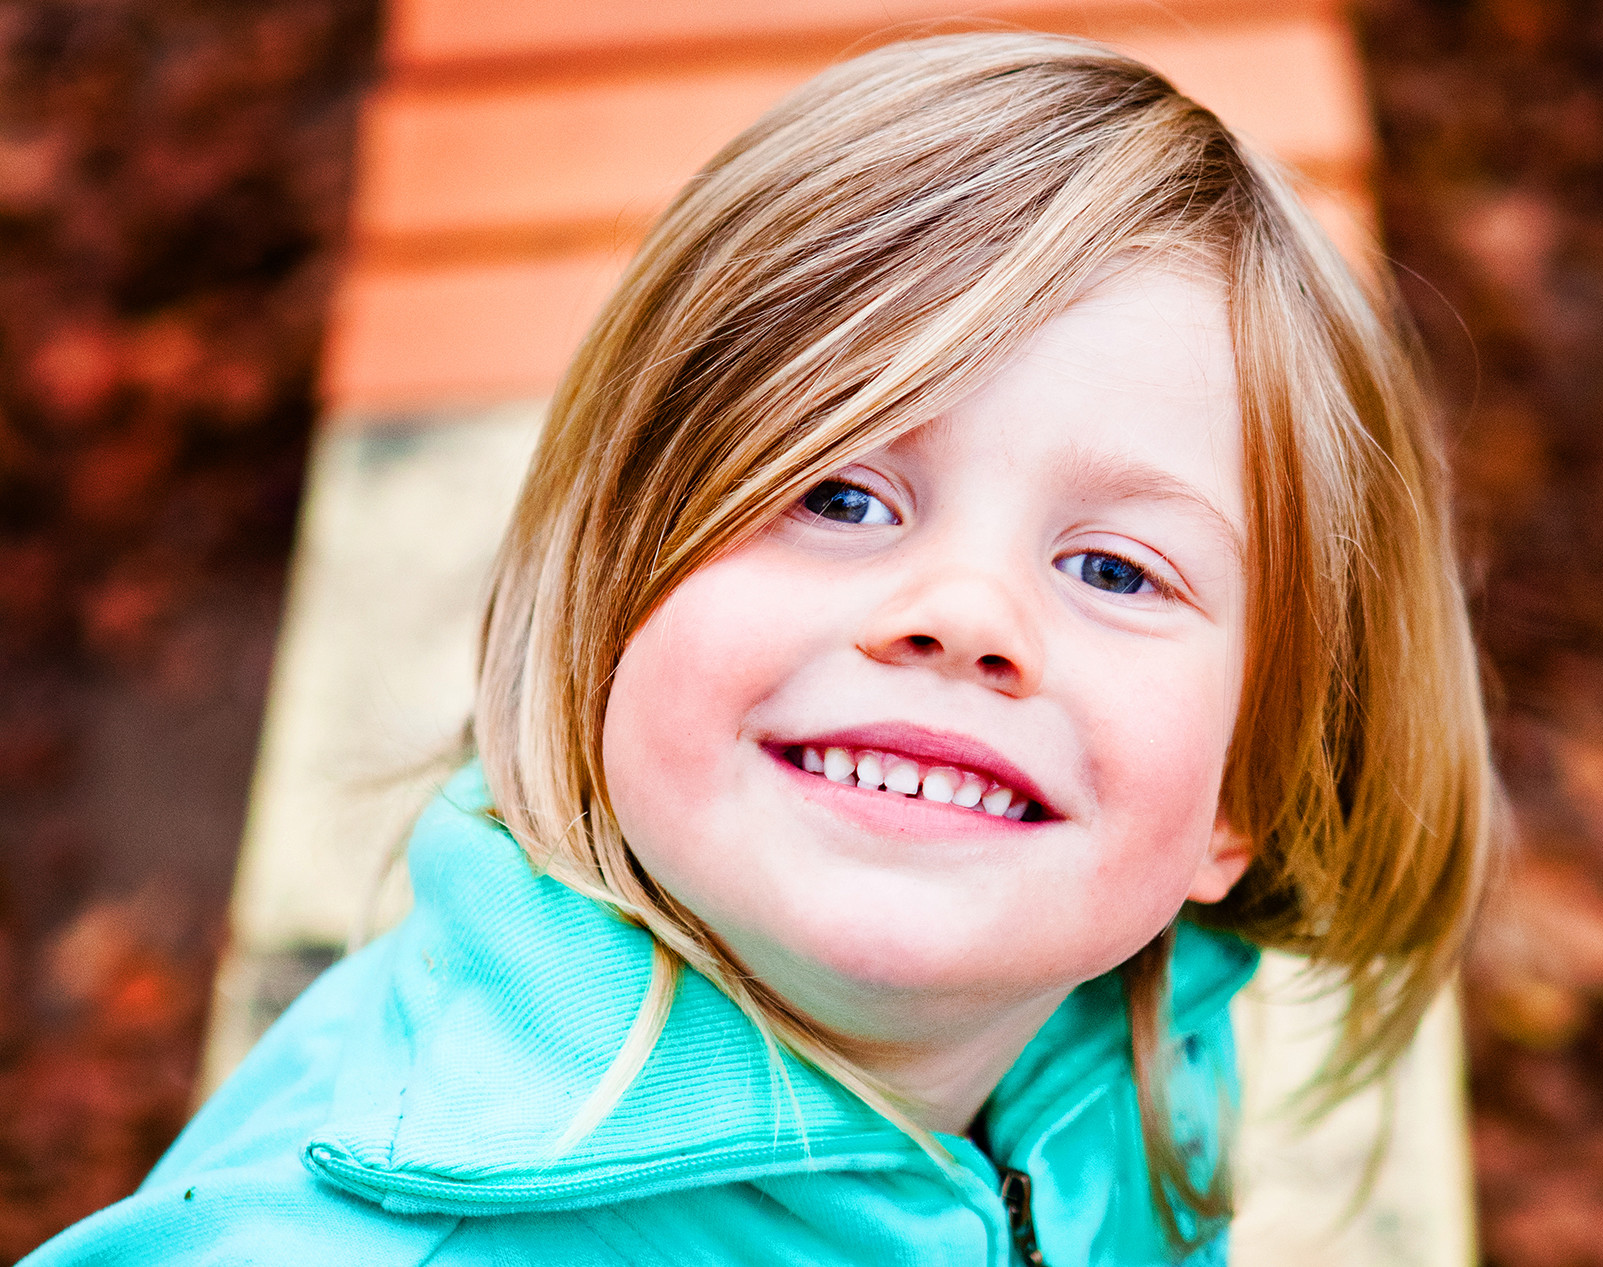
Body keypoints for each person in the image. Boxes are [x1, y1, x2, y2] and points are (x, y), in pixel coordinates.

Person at [27, 31, 1495, 1266]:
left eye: (1115, 567)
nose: (966, 616)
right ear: (607, 602)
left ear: (1242, 791)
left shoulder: (1124, 1021)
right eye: (840, 494)